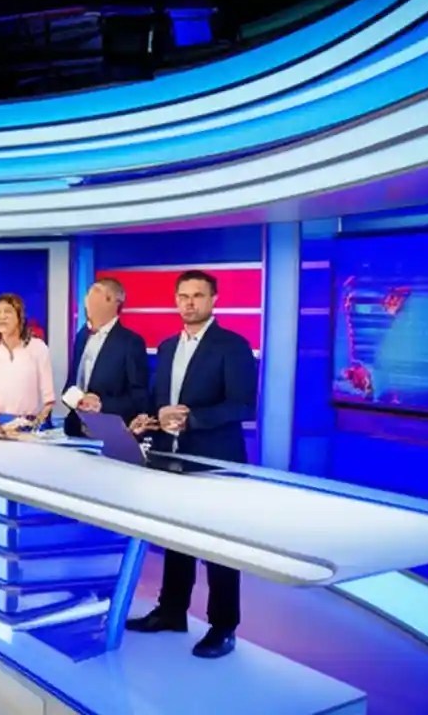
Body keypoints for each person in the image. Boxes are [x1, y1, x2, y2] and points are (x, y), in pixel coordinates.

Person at [126, 269, 258, 659]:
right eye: (183, 296)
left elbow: (243, 405)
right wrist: (148, 419)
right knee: (174, 539)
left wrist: (192, 419)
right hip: (170, 457)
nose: (189, 303)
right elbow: (160, 400)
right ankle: (171, 611)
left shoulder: (233, 345)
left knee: (218, 547)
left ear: (214, 299)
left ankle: (223, 626)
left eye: (197, 295)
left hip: (215, 462)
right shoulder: (168, 347)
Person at [62, 277, 150, 435]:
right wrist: (76, 399)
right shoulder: (82, 336)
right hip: (75, 429)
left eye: (94, 294)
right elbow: (72, 382)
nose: (86, 301)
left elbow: (139, 398)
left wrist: (100, 405)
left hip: (110, 432)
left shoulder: (130, 342)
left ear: (112, 301)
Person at [0, 293, 55, 436]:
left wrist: (33, 429)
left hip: (32, 429)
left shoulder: (38, 348)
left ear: (19, 317)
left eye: (8, 312)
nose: (2, 317)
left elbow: (49, 400)